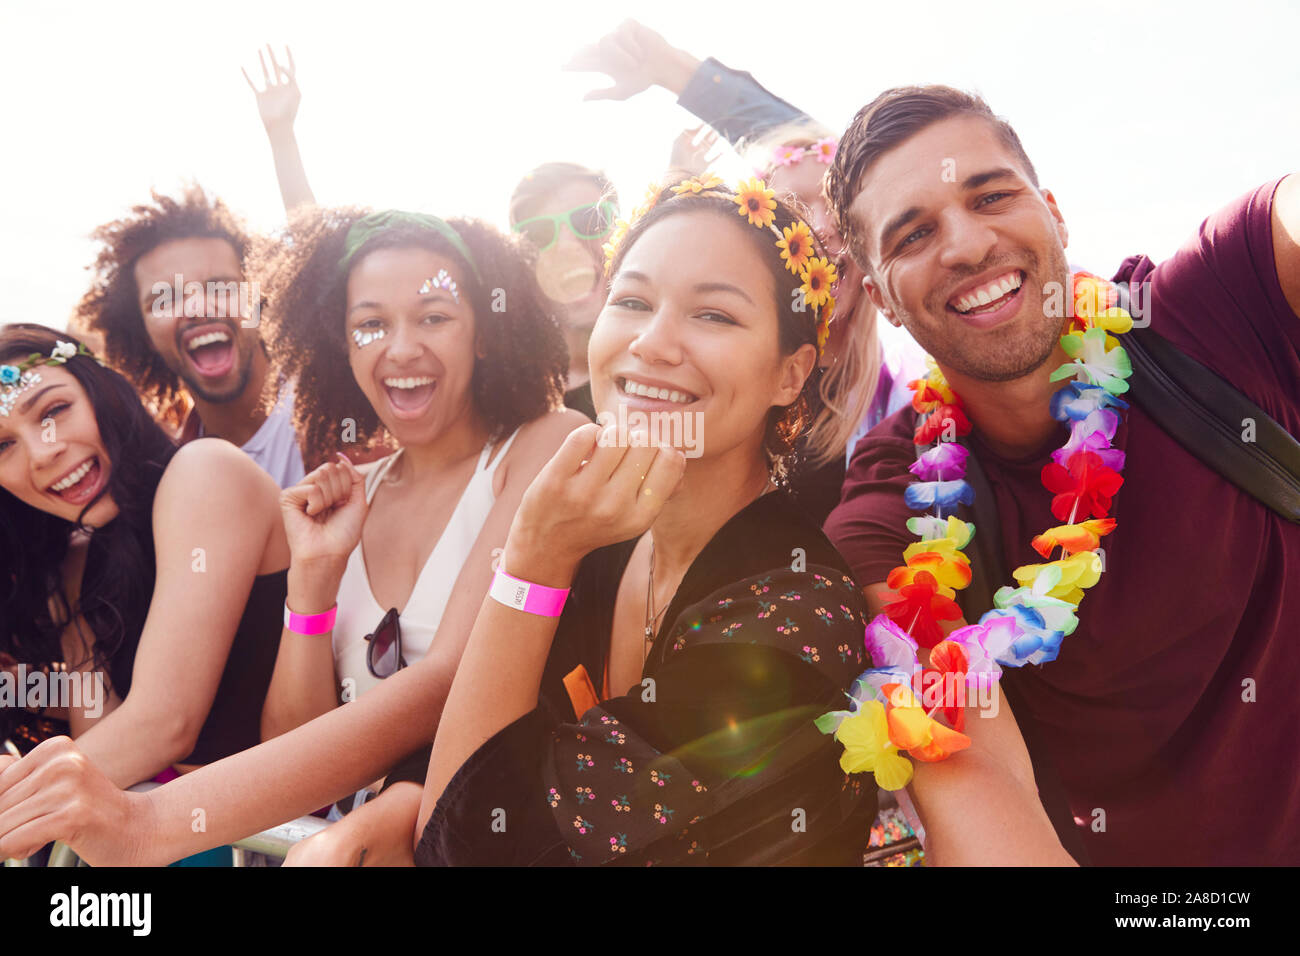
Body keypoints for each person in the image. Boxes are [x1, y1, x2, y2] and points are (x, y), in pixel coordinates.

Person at [821, 85, 1300, 865]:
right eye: (912, 235)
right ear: (880, 299)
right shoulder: (894, 500)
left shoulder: (1207, 310)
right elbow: (964, 757)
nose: (968, 246)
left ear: (1053, 210)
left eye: (991, 196)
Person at [251, 208, 581, 854]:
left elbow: (449, 684)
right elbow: (289, 755)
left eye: (434, 317)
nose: (401, 348)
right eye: (370, 324)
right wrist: (313, 579)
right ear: (341, 346)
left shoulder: (544, 445)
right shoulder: (349, 496)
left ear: (483, 334)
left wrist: (158, 819)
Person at [0, 324, 289, 789]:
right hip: (170, 843)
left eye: (55, 410)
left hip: (274, 843)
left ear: (103, 392)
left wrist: (14, 800)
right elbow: (103, 756)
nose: (41, 453)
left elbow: (164, 727)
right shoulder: (78, 561)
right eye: (3, 445)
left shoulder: (206, 470)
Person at [70, 185, 308, 488]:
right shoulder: (168, 479)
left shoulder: (346, 402)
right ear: (144, 335)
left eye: (220, 287)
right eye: (166, 299)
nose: (197, 308)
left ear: (259, 299)